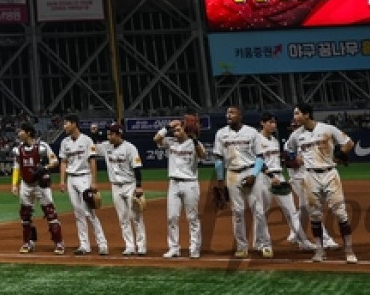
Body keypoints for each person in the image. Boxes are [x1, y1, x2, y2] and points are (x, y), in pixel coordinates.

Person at [284, 103, 358, 264]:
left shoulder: (327, 129)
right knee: (315, 215)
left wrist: (340, 155)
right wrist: (293, 158)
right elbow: (288, 150)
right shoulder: (296, 135)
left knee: (340, 213)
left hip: (330, 173)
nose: (295, 117)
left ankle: (349, 250)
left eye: (297, 113)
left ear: (307, 114)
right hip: (310, 176)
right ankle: (319, 250)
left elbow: (349, 143)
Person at [249, 113, 315, 254]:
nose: (274, 125)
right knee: (262, 213)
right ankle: (258, 242)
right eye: (270, 122)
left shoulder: (274, 140)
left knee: (291, 211)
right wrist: (271, 175)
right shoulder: (256, 139)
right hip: (264, 178)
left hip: (279, 176)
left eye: (275, 122)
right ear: (262, 123)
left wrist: (279, 176)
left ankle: (303, 242)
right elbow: (257, 161)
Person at [212, 106, 267, 259]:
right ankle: (242, 246)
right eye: (227, 113)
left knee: (259, 211)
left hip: (250, 171)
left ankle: (264, 244)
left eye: (232, 113)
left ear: (240, 115)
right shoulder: (221, 133)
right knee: (237, 212)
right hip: (232, 173)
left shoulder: (251, 132)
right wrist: (220, 181)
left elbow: (260, 157)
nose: (228, 115)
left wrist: (254, 175)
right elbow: (218, 159)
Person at [57, 114, 109, 256]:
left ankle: (102, 243)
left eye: (66, 123)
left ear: (74, 124)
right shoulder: (65, 142)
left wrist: (94, 181)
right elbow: (63, 162)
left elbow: (92, 161)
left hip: (84, 177)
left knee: (89, 211)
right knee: (78, 213)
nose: (64, 126)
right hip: (71, 179)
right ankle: (84, 245)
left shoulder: (87, 140)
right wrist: (62, 181)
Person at [154, 118, 205, 259]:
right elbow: (156, 139)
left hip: (190, 183)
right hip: (174, 183)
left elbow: (203, 156)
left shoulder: (194, 143)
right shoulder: (171, 142)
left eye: (178, 129)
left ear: (185, 131)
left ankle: (194, 248)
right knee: (172, 217)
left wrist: (194, 141)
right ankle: (174, 248)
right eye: (174, 130)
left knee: (192, 217)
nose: (175, 132)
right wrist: (167, 127)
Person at [285, 120, 339, 252]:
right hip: (298, 179)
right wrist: (295, 161)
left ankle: (296, 233)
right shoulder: (290, 142)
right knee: (311, 207)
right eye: (294, 126)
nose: (296, 128)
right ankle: (326, 240)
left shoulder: (310, 138)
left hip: (311, 177)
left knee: (305, 208)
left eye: (298, 126)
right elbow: (287, 162)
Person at [11, 122, 64, 254]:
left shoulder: (42, 147)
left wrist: (45, 167)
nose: (19, 133)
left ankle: (59, 242)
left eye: (21, 131)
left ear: (28, 132)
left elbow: (54, 161)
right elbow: (16, 167)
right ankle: (28, 242)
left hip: (40, 184)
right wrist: (14, 184)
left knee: (50, 213)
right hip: (26, 184)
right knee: (25, 214)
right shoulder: (18, 150)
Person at [96, 124, 147, 256]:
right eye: (108, 134)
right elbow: (93, 147)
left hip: (130, 185)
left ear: (118, 134)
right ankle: (129, 246)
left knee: (136, 217)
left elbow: (137, 168)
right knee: (123, 218)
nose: (108, 136)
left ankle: (141, 246)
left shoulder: (130, 148)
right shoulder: (106, 146)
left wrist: (139, 186)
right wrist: (95, 133)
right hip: (115, 186)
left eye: (111, 134)